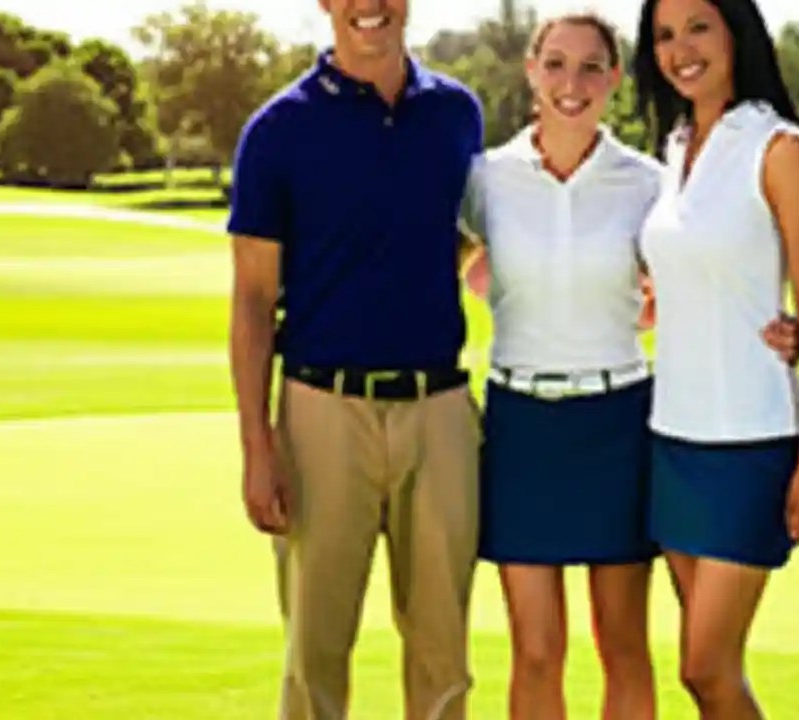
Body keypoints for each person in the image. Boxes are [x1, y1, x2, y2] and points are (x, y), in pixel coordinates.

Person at [461, 11, 799, 720]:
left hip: (619, 421)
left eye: (592, 66)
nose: (572, 83)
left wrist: (776, 329)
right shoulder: (485, 178)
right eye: (555, 64)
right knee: (534, 650)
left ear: (615, 78)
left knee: (622, 643)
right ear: (530, 71)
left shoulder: (649, 180)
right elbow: (436, 247)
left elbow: (704, 260)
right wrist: (482, 270)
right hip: (520, 426)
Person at [226, 1, 485, 718]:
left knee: (445, 662)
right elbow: (251, 298)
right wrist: (257, 444)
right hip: (321, 414)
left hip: (440, 412)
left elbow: (465, 238)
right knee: (315, 661)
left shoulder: (458, 114)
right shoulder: (278, 130)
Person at [634, 0, 799, 717]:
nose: (680, 48)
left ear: (735, 34)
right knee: (708, 675)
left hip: (749, 440)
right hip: (672, 437)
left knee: (705, 665)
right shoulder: (674, 149)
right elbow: (691, 268)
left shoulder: (780, 148)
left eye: (698, 27)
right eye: (664, 34)